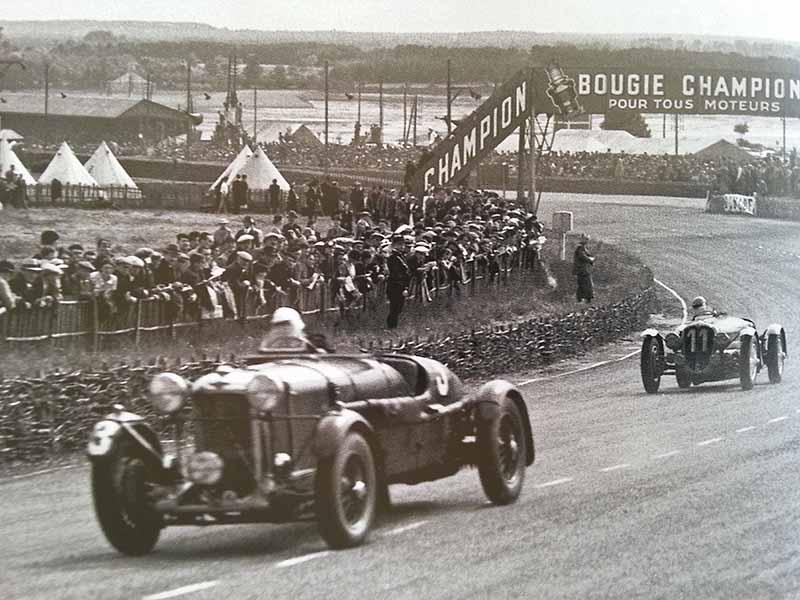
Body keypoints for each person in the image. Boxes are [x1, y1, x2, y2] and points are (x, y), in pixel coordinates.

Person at [259, 306, 329, 352]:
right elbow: (260, 354)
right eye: (279, 325)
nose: (284, 328)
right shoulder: (267, 343)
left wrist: (318, 351)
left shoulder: (315, 341)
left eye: (287, 324)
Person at [386, 234, 410, 329]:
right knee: (395, 308)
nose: (401, 246)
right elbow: (396, 273)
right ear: (393, 245)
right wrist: (402, 286)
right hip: (395, 285)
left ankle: (393, 326)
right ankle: (391, 327)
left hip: (401, 284)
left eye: (402, 244)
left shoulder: (401, 256)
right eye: (399, 244)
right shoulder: (392, 257)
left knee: (399, 307)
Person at [573, 233, 595, 303]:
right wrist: (590, 259)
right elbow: (583, 257)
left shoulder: (582, 248)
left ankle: (582, 299)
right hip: (582, 270)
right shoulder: (580, 248)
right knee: (587, 284)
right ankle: (585, 299)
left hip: (583, 270)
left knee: (583, 284)